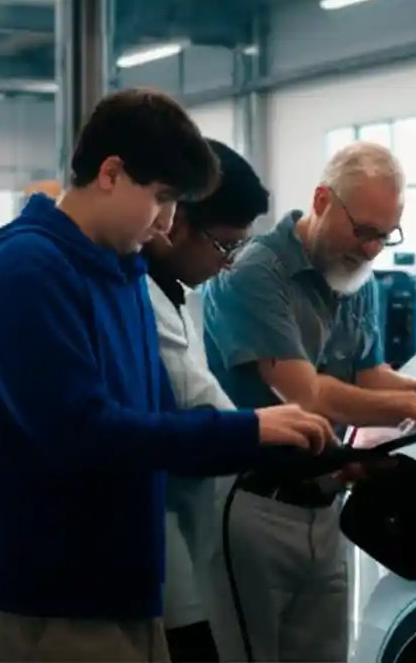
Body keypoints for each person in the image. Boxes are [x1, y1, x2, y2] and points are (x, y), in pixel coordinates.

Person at [0, 87, 335, 663]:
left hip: (127, 586)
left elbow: (164, 426)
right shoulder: (25, 270)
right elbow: (79, 434)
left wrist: (300, 454)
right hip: (51, 598)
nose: (166, 224)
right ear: (110, 173)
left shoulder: (123, 273)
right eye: (161, 198)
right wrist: (248, 431)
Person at [202, 140, 416, 662]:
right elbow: (306, 394)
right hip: (253, 507)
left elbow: (369, 374)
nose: (371, 250)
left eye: (385, 237)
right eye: (363, 231)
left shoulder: (354, 275)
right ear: (321, 199)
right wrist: (412, 409)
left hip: (327, 505)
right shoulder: (254, 273)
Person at [142, 138, 271, 662]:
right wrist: (280, 437)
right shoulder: (137, 298)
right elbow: (199, 408)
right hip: (153, 547)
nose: (227, 264)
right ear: (174, 221)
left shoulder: (176, 294)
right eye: (224, 247)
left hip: (191, 537)